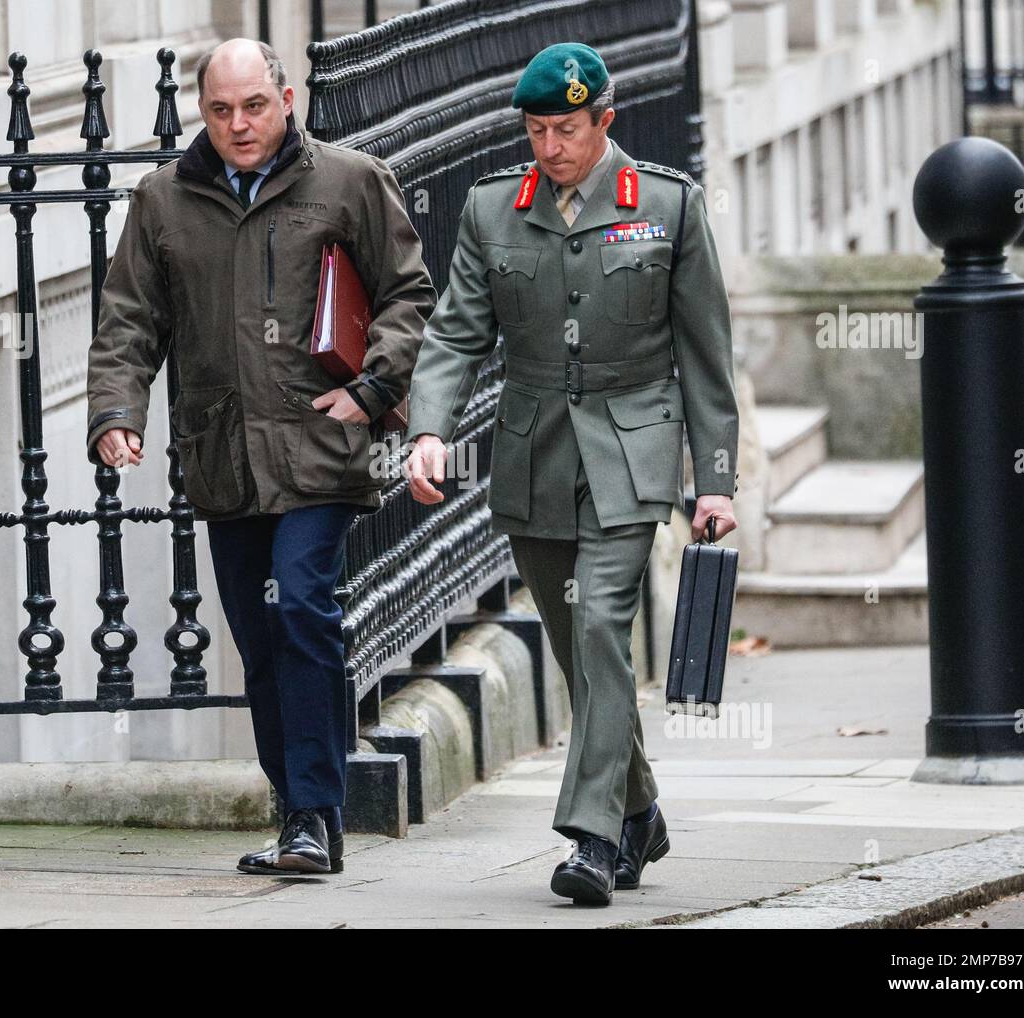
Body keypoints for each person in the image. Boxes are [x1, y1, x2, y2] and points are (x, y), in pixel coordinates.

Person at [86, 38, 435, 875]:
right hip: (225, 458)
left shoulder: (350, 180)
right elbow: (130, 318)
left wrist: (374, 390)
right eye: (220, 110)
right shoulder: (164, 201)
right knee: (259, 634)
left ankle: (318, 809)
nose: (239, 126)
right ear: (201, 113)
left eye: (254, 106)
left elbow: (408, 292)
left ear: (288, 99)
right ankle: (297, 813)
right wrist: (115, 412)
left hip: (320, 449)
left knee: (301, 607)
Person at [404, 42, 739, 905]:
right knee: (577, 649)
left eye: (566, 129)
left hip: (636, 451)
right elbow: (454, 333)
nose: (550, 146)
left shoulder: (666, 206)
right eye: (537, 129)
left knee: (600, 632)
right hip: (535, 455)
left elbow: (706, 359)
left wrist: (717, 482)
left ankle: (590, 839)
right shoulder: (492, 211)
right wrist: (431, 430)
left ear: (605, 122)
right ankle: (641, 811)